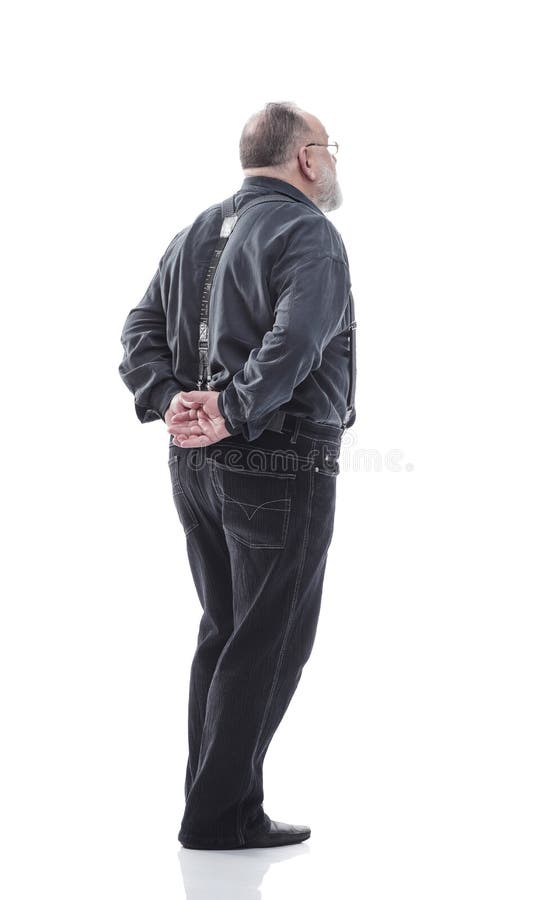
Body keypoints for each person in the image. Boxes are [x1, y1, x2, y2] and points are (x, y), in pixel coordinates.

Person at [118, 101, 357, 850]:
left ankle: (226, 804)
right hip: (278, 461)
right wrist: (235, 409)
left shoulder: (197, 229)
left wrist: (170, 401)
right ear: (307, 158)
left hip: (195, 467)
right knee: (268, 638)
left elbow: (139, 331)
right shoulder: (309, 233)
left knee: (228, 631)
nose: (336, 161)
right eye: (331, 147)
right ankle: (220, 816)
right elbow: (296, 343)